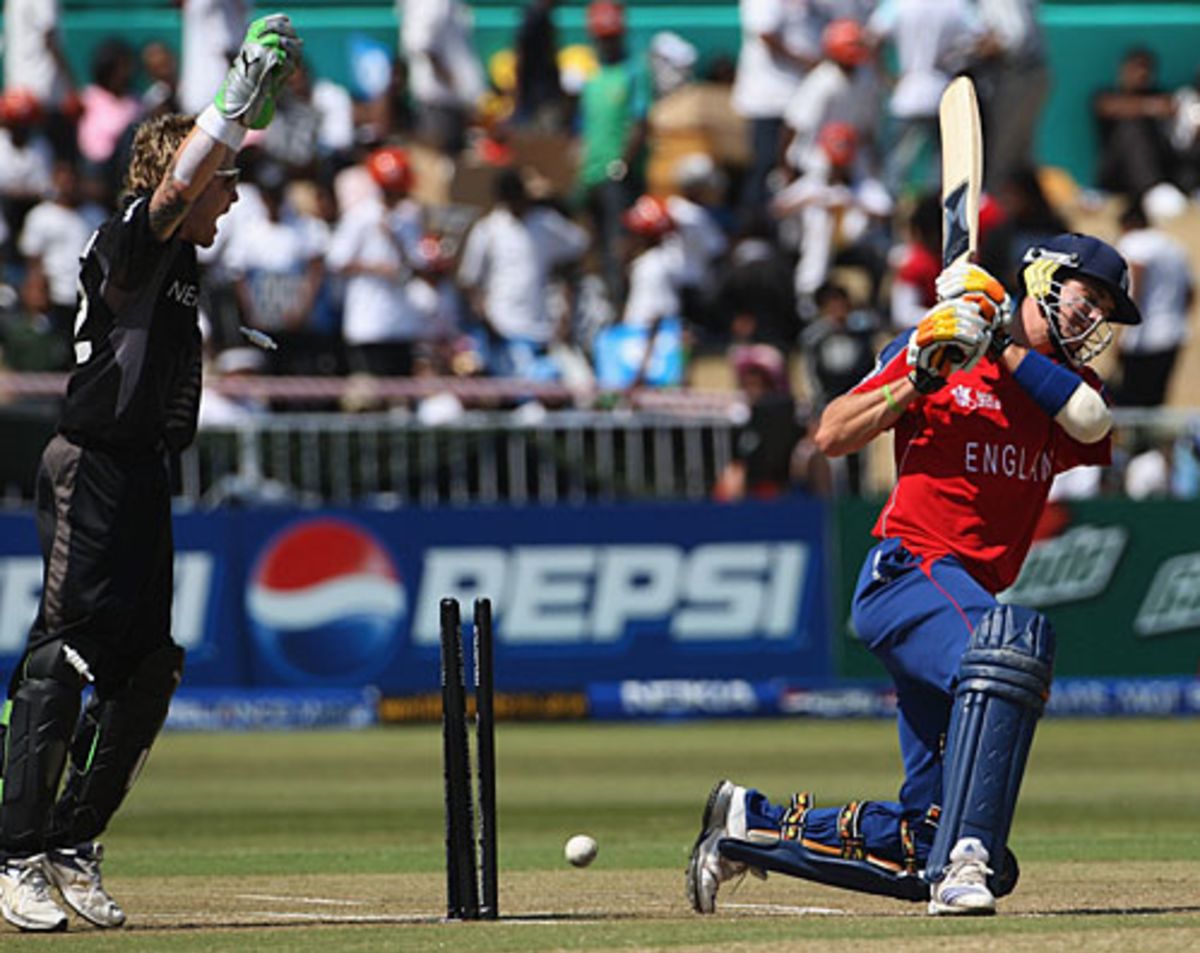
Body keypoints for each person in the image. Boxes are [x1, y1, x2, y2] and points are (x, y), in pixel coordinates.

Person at [687, 232, 1142, 916]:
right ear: (1044, 278)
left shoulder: (1061, 387)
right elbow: (832, 432)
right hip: (908, 571)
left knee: (921, 832)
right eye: (1089, 296)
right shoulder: (936, 347)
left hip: (961, 597)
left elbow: (1090, 420)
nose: (1095, 317)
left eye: (1105, 307)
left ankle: (750, 824)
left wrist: (998, 343)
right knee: (1009, 654)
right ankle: (967, 861)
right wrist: (922, 375)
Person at [0, 15, 300, 933]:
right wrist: (232, 107)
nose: (234, 202)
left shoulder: (181, 267)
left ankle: (72, 843)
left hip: (139, 478)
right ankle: (14, 854)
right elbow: (174, 192)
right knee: (65, 654)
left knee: (147, 670)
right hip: (89, 467)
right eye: (229, 185)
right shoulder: (134, 241)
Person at [1113, 202, 1194, 407]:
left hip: (1142, 338)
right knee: (1155, 402)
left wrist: (1122, 332)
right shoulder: (1174, 246)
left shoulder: (1133, 242)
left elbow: (1135, 282)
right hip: (1173, 334)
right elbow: (1190, 292)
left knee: (1131, 403)